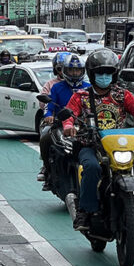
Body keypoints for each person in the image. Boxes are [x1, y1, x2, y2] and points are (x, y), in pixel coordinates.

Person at [63, 48, 134, 231]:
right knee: (92, 168)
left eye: (108, 73)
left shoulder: (122, 94)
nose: (104, 76)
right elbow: (69, 116)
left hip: (120, 145)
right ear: (93, 75)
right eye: (100, 73)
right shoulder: (81, 96)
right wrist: (69, 127)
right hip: (91, 145)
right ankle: (86, 212)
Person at [38, 54, 90, 190]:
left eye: (77, 70)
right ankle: (47, 170)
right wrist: (49, 116)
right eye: (71, 70)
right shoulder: (56, 87)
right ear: (65, 71)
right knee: (45, 136)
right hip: (60, 125)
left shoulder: (88, 88)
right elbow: (49, 106)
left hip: (84, 126)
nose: (74, 73)